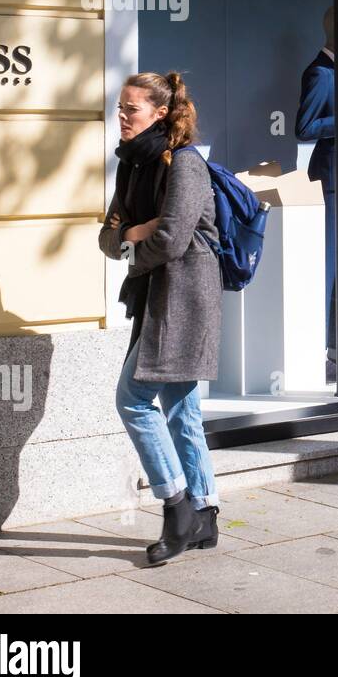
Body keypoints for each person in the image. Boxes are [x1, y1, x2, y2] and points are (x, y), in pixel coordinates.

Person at [99, 71, 222, 566]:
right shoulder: (131, 164)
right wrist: (134, 231)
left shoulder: (186, 164)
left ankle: (176, 505)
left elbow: (172, 237)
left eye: (132, 109)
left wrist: (135, 239)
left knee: (131, 398)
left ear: (160, 113)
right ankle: (206, 512)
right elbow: (107, 236)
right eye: (121, 107)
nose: (122, 116)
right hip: (153, 294)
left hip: (185, 297)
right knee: (180, 408)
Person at [296, 7, 336, 384]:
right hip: (329, 180)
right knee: (327, 268)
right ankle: (320, 352)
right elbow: (305, 127)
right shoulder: (320, 73)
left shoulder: (337, 71)